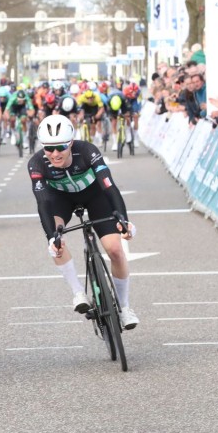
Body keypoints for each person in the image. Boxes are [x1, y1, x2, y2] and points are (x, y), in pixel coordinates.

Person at [27, 115, 139, 329]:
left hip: (95, 196)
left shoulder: (87, 151)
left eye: (60, 147)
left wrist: (123, 220)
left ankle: (124, 308)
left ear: (70, 143)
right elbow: (43, 204)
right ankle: (78, 292)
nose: (55, 154)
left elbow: (109, 187)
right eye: (49, 149)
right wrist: (52, 237)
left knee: (115, 250)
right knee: (56, 242)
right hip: (60, 200)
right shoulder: (36, 163)